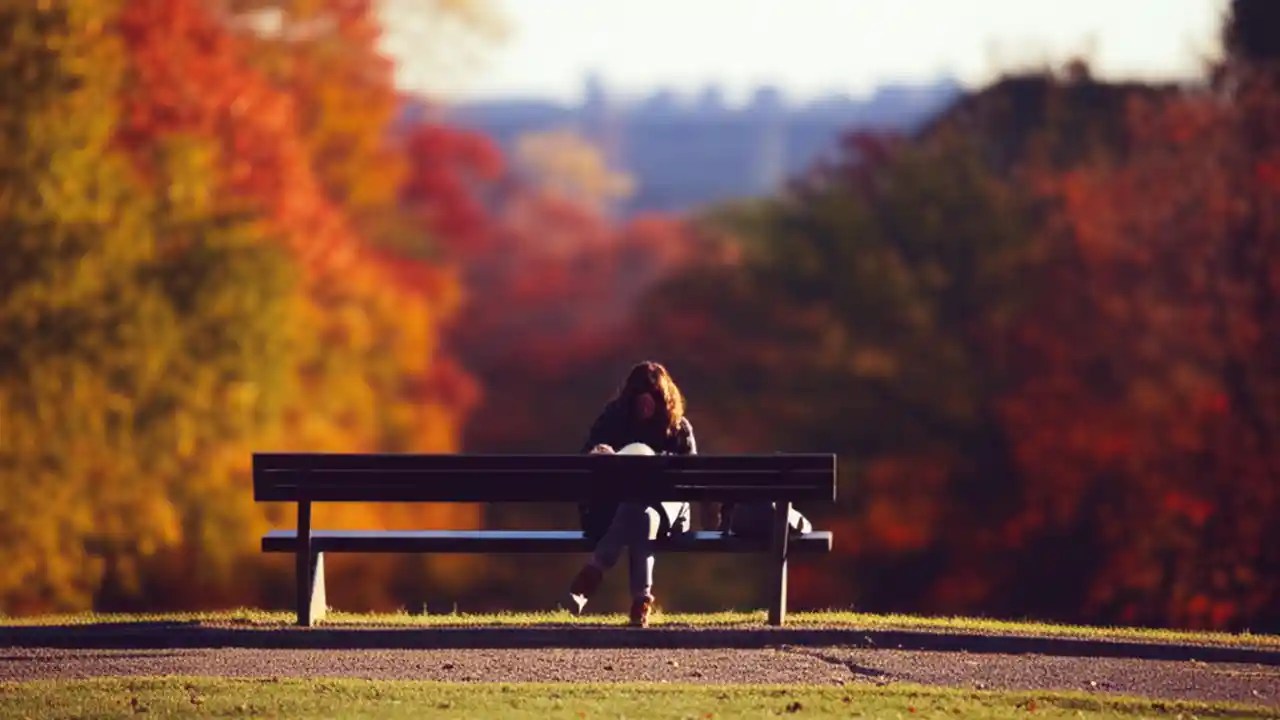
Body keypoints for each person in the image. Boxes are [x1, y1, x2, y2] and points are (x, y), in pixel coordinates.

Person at [566, 361, 696, 627]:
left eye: (652, 401)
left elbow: (689, 478)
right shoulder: (613, 419)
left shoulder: (677, 427)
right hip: (625, 512)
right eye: (640, 402)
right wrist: (598, 453)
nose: (646, 407)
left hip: (669, 511)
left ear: (664, 400)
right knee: (639, 514)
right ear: (630, 399)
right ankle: (641, 601)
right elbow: (587, 456)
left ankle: (596, 568)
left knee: (637, 510)